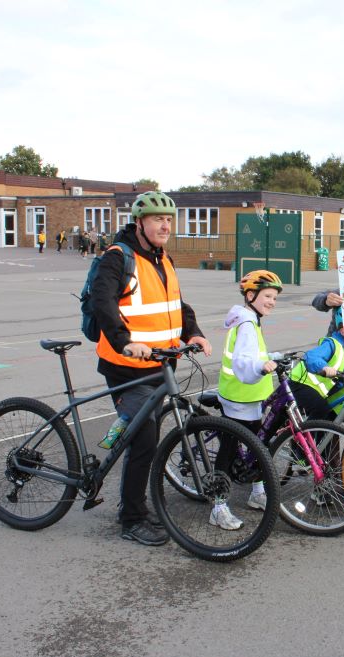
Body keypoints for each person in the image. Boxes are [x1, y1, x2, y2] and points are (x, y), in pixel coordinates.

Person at [92, 190, 211, 545]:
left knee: (151, 432)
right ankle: (131, 517)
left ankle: (140, 506)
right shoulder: (118, 257)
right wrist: (125, 341)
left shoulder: (162, 259)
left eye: (169, 219)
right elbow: (103, 302)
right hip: (126, 366)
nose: (165, 225)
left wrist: (194, 332)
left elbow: (176, 303)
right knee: (143, 438)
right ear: (140, 222)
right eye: (158, 219)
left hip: (160, 364)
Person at [211, 269, 284, 531]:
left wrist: (272, 357)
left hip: (251, 397)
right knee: (230, 451)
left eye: (274, 297)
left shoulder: (252, 319)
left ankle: (256, 492)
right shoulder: (246, 324)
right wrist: (259, 367)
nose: (271, 302)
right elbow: (243, 362)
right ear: (251, 295)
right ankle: (218, 507)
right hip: (238, 399)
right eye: (267, 296)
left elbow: (254, 353)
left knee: (257, 447)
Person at [289, 301, 344, 420]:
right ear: (343, 331)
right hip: (303, 383)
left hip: (329, 391)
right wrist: (324, 367)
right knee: (321, 410)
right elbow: (311, 356)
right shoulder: (333, 344)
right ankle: (309, 437)